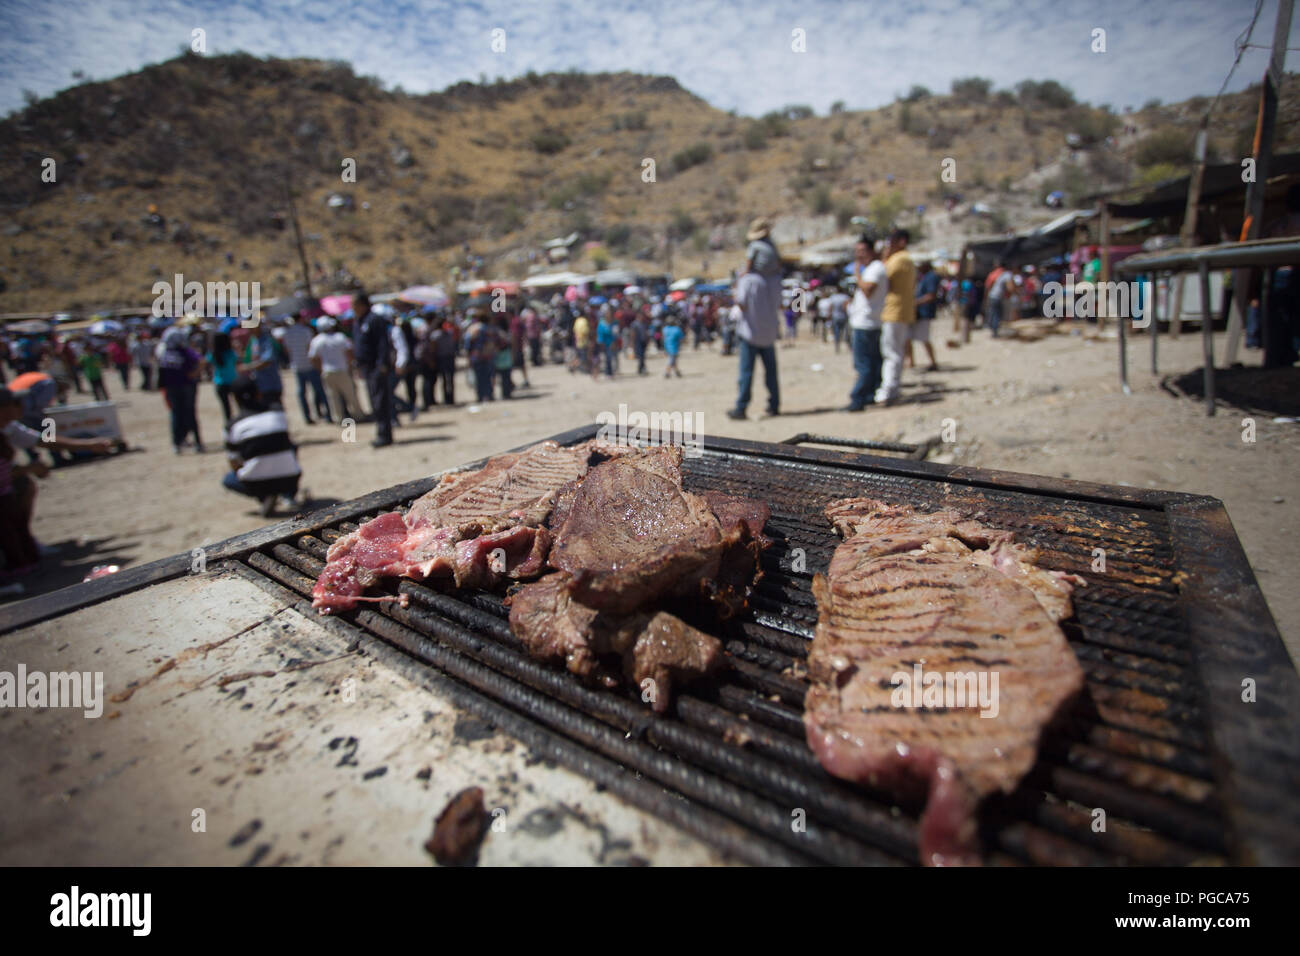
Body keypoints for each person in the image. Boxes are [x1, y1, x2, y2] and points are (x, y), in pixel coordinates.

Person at [221, 378, 302, 518]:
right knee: (290, 448)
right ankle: (287, 495)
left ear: (234, 399)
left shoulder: (232, 425)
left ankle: (264, 496)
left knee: (228, 479)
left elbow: (233, 462)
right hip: (290, 478)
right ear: (258, 394)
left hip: (256, 483)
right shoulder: (278, 413)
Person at [727, 266, 781, 420]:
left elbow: (742, 304)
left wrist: (736, 288)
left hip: (750, 333)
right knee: (771, 372)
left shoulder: (747, 280)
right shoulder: (774, 279)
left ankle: (741, 407)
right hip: (769, 333)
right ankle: (774, 405)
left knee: (746, 373)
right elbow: (780, 303)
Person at [875, 229, 916, 406]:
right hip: (898, 311)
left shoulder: (899, 259)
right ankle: (892, 387)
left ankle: (889, 390)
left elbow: (881, 277)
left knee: (891, 352)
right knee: (894, 351)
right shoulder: (904, 259)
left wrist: (884, 257)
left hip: (894, 311)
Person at [846, 237, 886, 412]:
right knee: (872, 363)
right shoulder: (873, 268)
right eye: (857, 251)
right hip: (870, 322)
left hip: (866, 323)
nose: (859, 255)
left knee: (863, 363)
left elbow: (868, 290)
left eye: (862, 251)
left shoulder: (875, 269)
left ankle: (858, 399)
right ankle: (869, 395)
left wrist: (857, 274)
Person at [353, 294, 395, 446]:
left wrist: (383, 364)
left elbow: (383, 344)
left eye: (355, 305)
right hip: (366, 367)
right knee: (373, 401)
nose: (353, 308)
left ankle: (385, 435)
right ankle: (380, 431)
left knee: (380, 401)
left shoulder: (374, 320)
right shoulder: (359, 321)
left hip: (377, 367)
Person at [157, 326, 204, 453]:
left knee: (176, 414)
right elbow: (200, 360)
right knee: (189, 414)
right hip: (185, 387)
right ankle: (196, 443)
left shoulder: (164, 353)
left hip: (173, 388)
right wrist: (194, 373)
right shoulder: (184, 351)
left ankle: (177, 443)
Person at [309, 317, 361, 421]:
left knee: (333, 397)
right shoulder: (340, 337)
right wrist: (351, 366)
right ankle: (358, 415)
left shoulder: (317, 340)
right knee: (351, 395)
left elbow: (313, 357)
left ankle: (338, 418)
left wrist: (320, 369)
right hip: (342, 369)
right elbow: (349, 352)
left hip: (327, 371)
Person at [283, 313, 330, 425]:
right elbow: (310, 348)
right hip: (309, 365)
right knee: (319, 390)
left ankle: (307, 417)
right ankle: (327, 415)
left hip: (297, 366)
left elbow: (286, 349)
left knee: (301, 393)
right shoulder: (306, 331)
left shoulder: (288, 333)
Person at [241, 320, 284, 408]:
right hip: (259, 385)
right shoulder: (254, 341)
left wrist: (246, 367)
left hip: (271, 385)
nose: (248, 330)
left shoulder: (266, 340)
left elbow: (267, 361)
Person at [908, 260, 941, 372]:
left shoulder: (931, 277)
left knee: (924, 338)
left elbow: (931, 295)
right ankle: (911, 362)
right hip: (917, 312)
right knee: (908, 338)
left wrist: (915, 303)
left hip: (924, 312)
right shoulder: (923, 277)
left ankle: (933, 362)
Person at [206, 331, 239, 423]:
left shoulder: (213, 354)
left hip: (220, 382)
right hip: (233, 381)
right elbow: (238, 362)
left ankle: (229, 426)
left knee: (226, 408)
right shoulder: (231, 353)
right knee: (240, 404)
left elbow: (207, 363)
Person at [465, 310, 497, 403]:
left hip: (477, 356)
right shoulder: (489, 328)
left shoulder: (473, 329)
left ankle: (481, 396)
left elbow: (467, 344)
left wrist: (469, 357)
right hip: (488, 356)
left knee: (479, 377)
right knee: (488, 376)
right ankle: (489, 395)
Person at [431, 316, 458, 406]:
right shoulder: (446, 333)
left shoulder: (436, 334)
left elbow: (433, 348)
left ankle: (448, 399)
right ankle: (450, 399)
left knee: (445, 380)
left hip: (443, 358)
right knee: (449, 380)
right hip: (447, 358)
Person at [829, 286, 850, 353]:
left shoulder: (833, 297)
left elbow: (830, 307)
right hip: (843, 316)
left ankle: (837, 347)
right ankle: (847, 347)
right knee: (845, 332)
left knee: (836, 332)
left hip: (835, 317)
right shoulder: (845, 297)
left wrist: (829, 314)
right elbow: (845, 307)